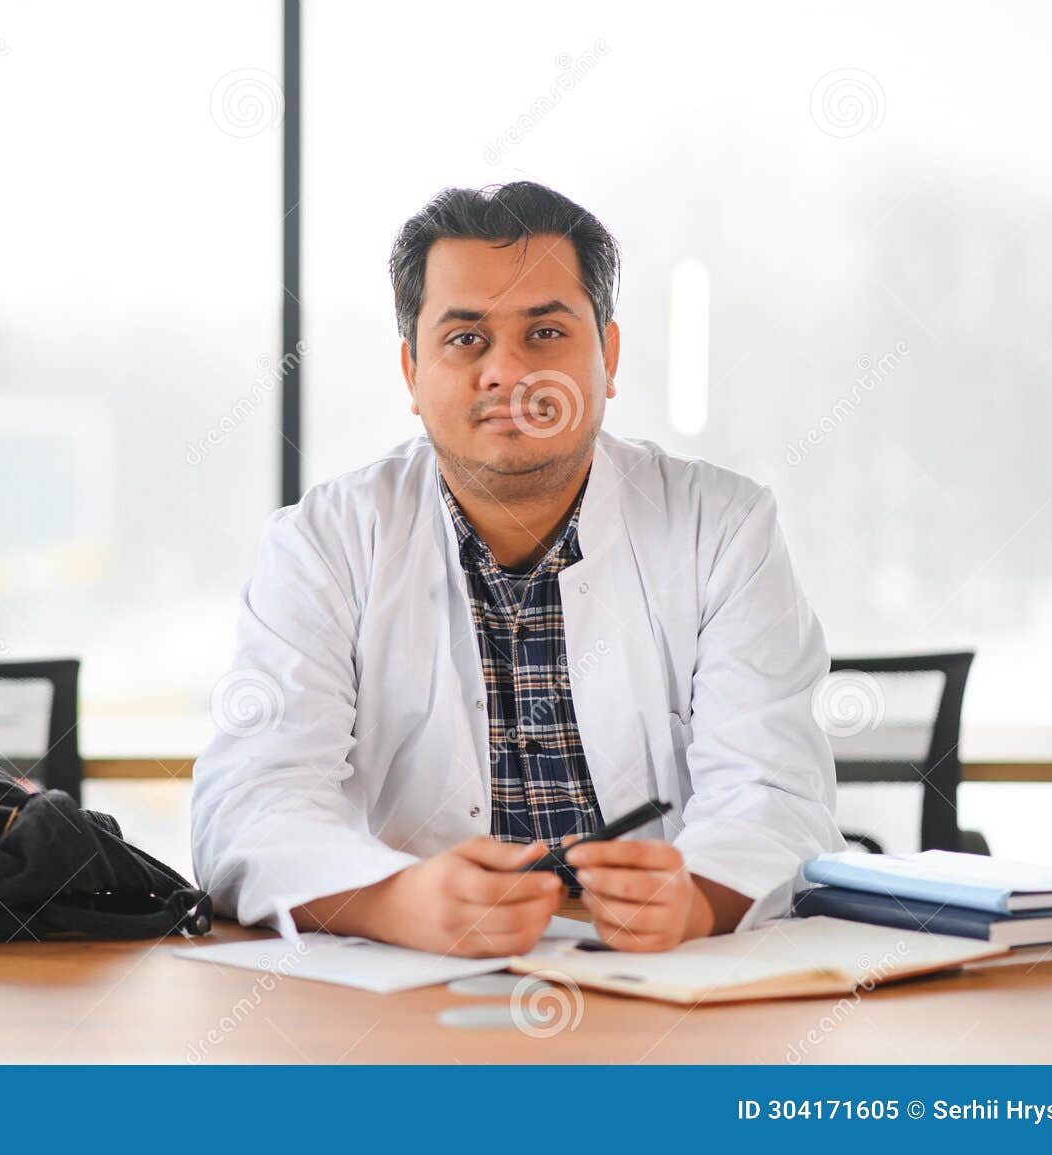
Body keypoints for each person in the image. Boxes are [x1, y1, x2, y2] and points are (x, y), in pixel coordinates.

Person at [192, 181, 842, 956]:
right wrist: (398, 899)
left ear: (607, 355)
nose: (507, 371)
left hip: (669, 986)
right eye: (466, 339)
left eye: (544, 333)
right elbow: (248, 803)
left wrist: (696, 900)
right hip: (410, 994)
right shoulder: (325, 544)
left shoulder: (724, 527)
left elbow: (777, 795)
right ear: (411, 372)